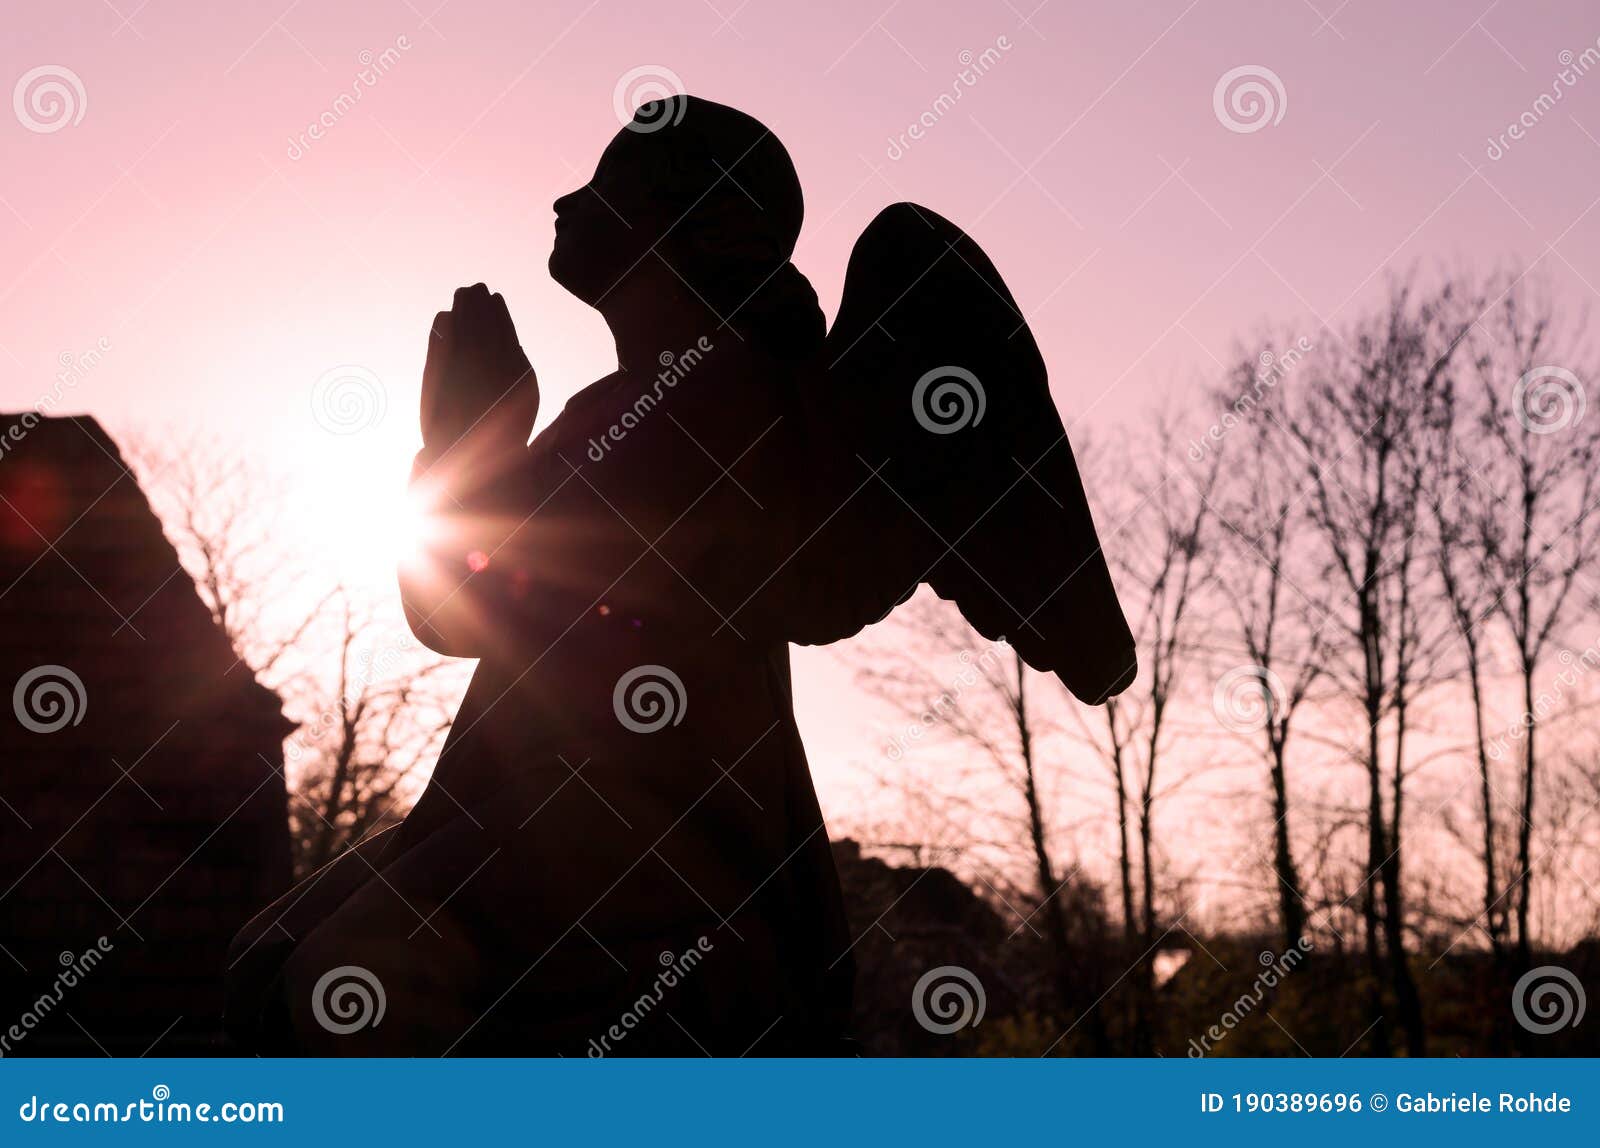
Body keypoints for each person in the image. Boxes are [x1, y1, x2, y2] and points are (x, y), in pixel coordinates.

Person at [225, 96, 1135, 1056]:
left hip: (646, 830)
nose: (568, 200)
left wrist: (471, 441)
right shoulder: (628, 404)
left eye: (609, 180)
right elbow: (463, 608)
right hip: (539, 806)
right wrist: (467, 444)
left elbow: (474, 602)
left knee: (340, 979)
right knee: (269, 956)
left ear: (693, 222)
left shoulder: (719, 402)